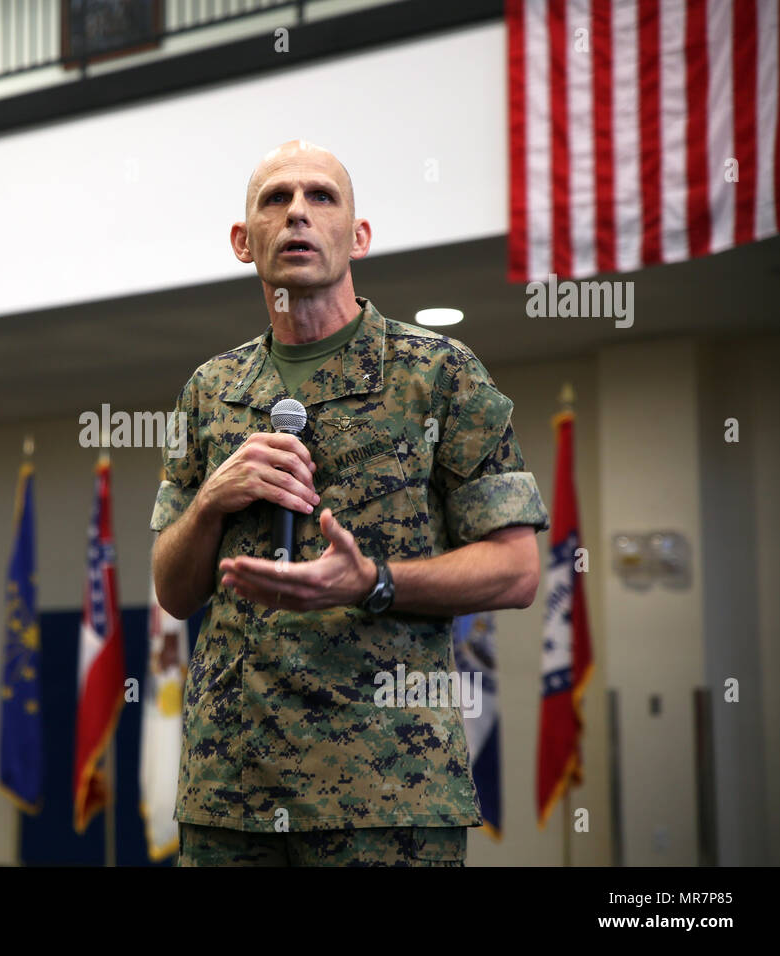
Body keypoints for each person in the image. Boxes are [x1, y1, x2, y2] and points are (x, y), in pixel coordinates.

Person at [149, 140, 549, 866]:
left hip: (387, 794)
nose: (298, 212)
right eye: (276, 199)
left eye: (321, 197)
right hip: (229, 796)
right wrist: (210, 501)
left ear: (358, 236)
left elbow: (518, 570)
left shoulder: (438, 375)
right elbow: (175, 594)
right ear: (244, 242)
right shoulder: (211, 389)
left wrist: (375, 582)